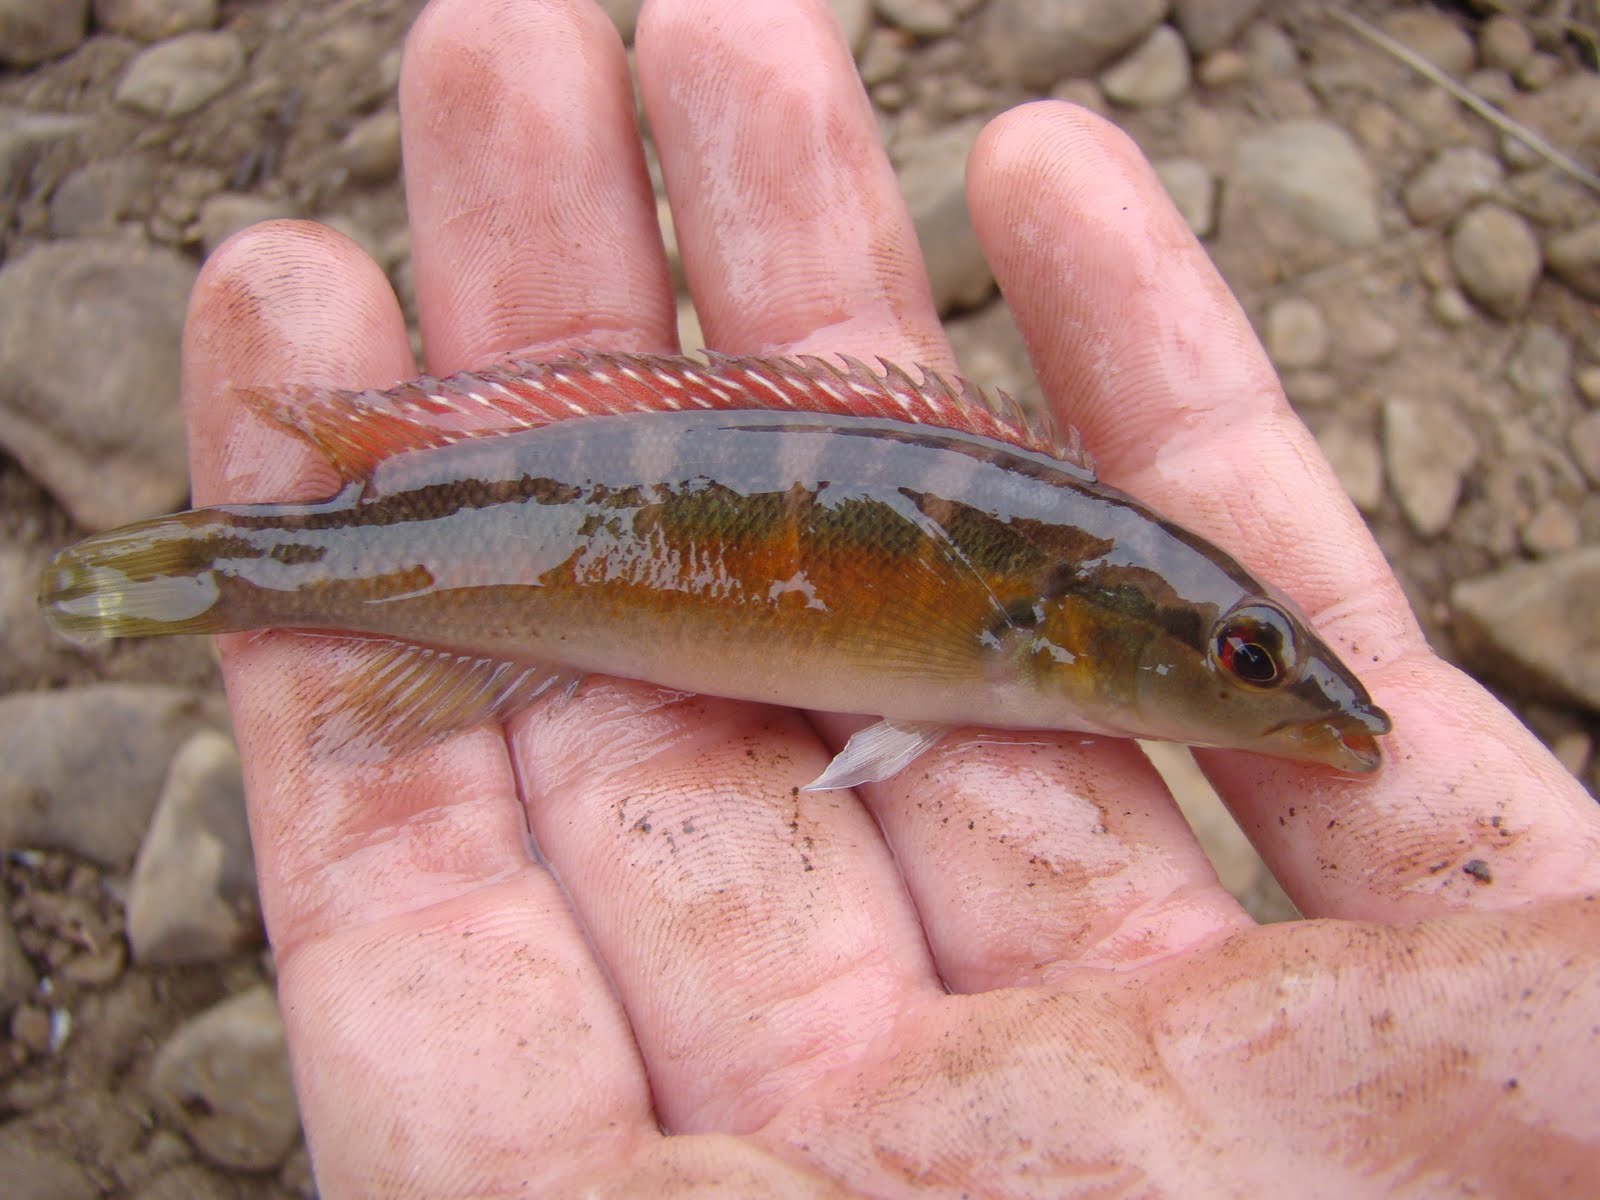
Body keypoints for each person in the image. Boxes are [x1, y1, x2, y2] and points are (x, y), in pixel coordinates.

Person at [182, 0, 1600, 1194]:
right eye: (1246, 654)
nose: (1273, 685)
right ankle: (226, 571)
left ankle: (222, 573)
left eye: (1253, 656)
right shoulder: (1031, 610)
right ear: (1077, 621)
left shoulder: (1050, 615)